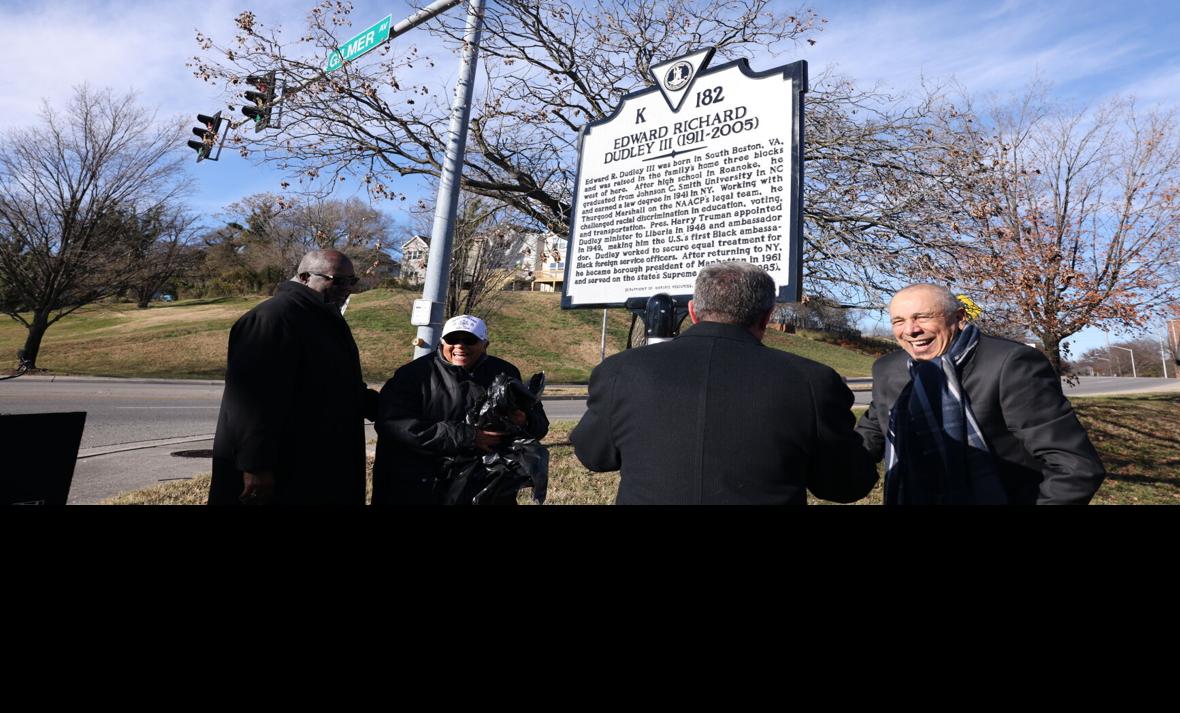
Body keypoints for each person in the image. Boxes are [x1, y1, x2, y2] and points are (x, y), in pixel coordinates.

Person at [570, 262, 877, 504]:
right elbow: (846, 485)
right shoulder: (813, 380)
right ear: (767, 316)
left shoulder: (619, 370)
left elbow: (594, 456)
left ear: (692, 310)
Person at [856, 284, 1105, 505]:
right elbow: (868, 439)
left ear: (959, 317)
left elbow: (1076, 467)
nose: (910, 330)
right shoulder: (888, 369)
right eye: (898, 321)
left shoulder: (1010, 363)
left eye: (923, 317)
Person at [209, 249, 379, 505]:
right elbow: (252, 399)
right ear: (304, 277)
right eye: (338, 280)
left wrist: (388, 407)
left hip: (316, 464)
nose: (347, 288)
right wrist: (255, 465)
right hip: (283, 467)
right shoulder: (274, 318)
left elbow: (337, 386)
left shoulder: (324, 318)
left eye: (351, 281)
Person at [372, 314, 550, 505]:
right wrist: (468, 436)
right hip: (425, 487)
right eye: (452, 339)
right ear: (442, 342)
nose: (460, 346)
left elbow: (539, 425)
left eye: (469, 340)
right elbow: (395, 424)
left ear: (485, 344)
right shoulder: (415, 375)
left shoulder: (505, 373)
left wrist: (524, 420)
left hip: (487, 487)